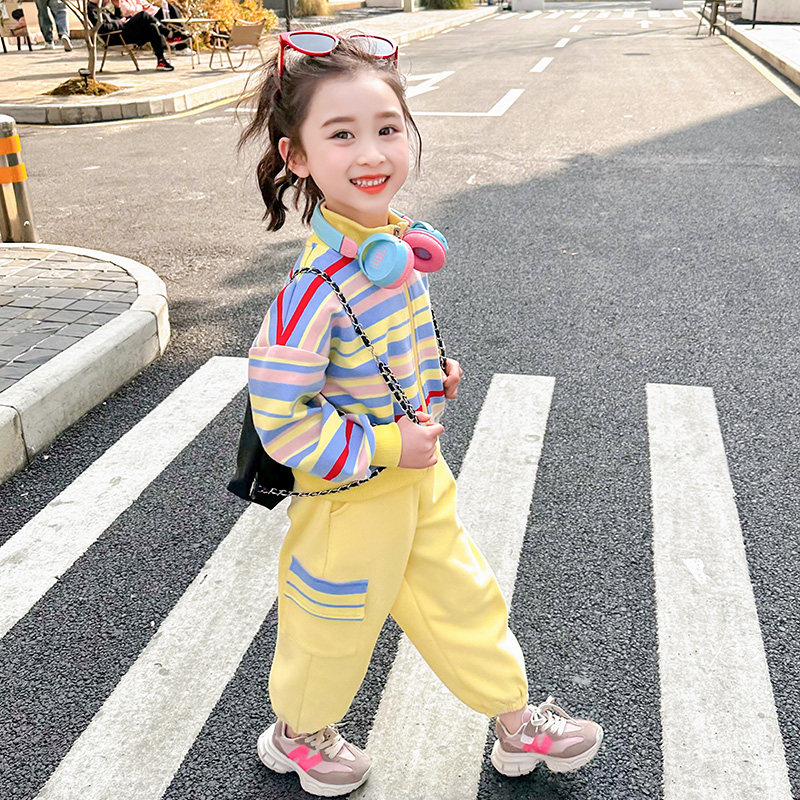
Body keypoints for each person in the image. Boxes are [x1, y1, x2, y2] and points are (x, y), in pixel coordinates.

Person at [239, 31, 604, 797]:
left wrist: (432, 376)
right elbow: (282, 420)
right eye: (342, 135)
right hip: (347, 503)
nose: (372, 152)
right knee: (331, 629)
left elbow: (384, 354)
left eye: (387, 128)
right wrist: (385, 444)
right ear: (296, 156)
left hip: (419, 482)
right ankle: (297, 735)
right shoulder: (310, 292)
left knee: (465, 600)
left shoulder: (395, 253)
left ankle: (516, 725)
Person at [87, 0, 173, 70]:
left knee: (152, 27)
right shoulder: (91, 9)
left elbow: (115, 19)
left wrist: (117, 8)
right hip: (114, 38)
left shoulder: (100, 8)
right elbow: (102, 28)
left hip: (120, 33)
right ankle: (169, 33)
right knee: (143, 15)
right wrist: (120, 22)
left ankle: (161, 60)